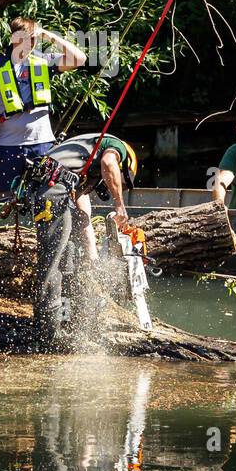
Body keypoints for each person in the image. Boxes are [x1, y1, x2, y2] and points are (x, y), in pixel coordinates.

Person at [23, 131, 139, 342]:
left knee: (69, 254)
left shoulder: (79, 169)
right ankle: (47, 332)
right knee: (53, 262)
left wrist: (93, 257)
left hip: (52, 189)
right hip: (52, 191)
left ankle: (68, 321)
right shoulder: (115, 146)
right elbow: (108, 163)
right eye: (122, 179)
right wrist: (119, 204)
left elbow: (83, 216)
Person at [0, 16, 86, 193]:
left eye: (33, 38)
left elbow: (80, 59)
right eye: (25, 38)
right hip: (8, 146)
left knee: (46, 200)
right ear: (14, 38)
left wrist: (47, 35)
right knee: (9, 200)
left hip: (43, 144)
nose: (30, 42)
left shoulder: (44, 61)